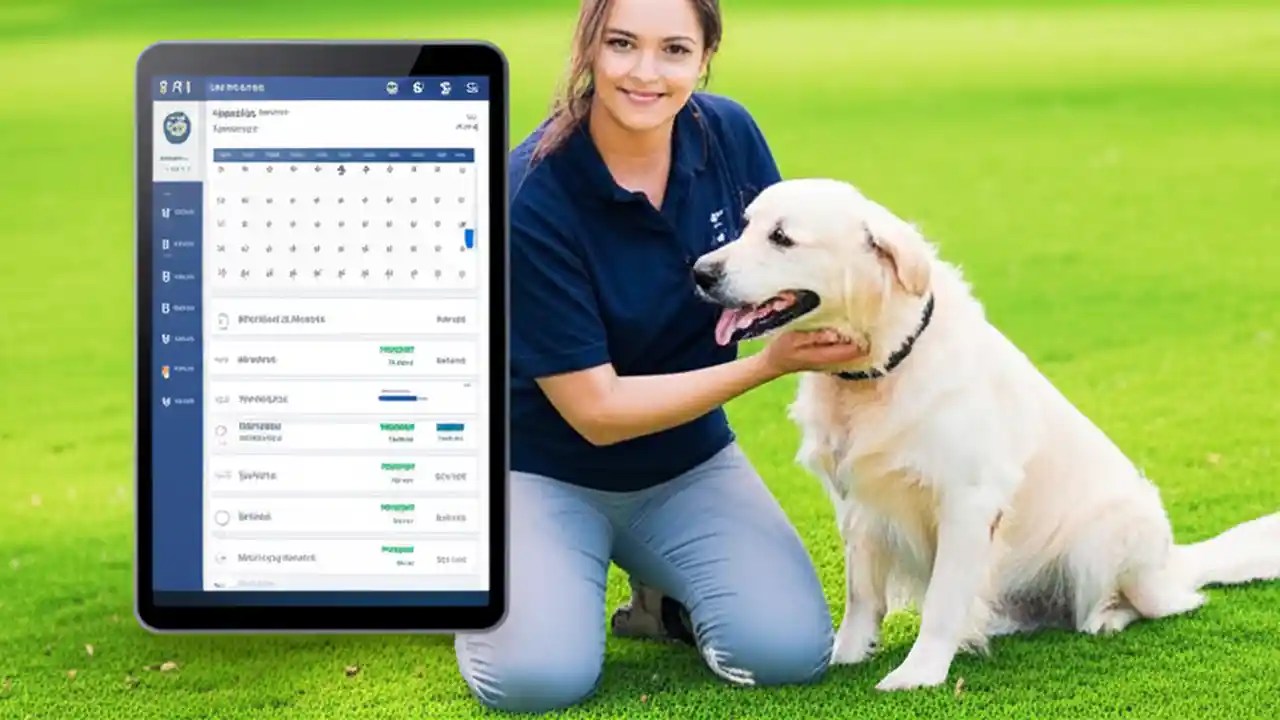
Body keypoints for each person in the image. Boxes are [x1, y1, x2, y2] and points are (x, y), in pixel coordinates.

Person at [454, 0, 869, 712]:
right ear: (588, 49)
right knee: (537, 680)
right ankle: (483, 570)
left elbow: (790, 267)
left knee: (788, 652)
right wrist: (769, 364)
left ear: (704, 57)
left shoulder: (729, 134)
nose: (646, 73)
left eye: (674, 49)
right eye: (622, 44)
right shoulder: (529, 193)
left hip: (686, 464)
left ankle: (662, 598)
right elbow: (597, 413)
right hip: (544, 471)